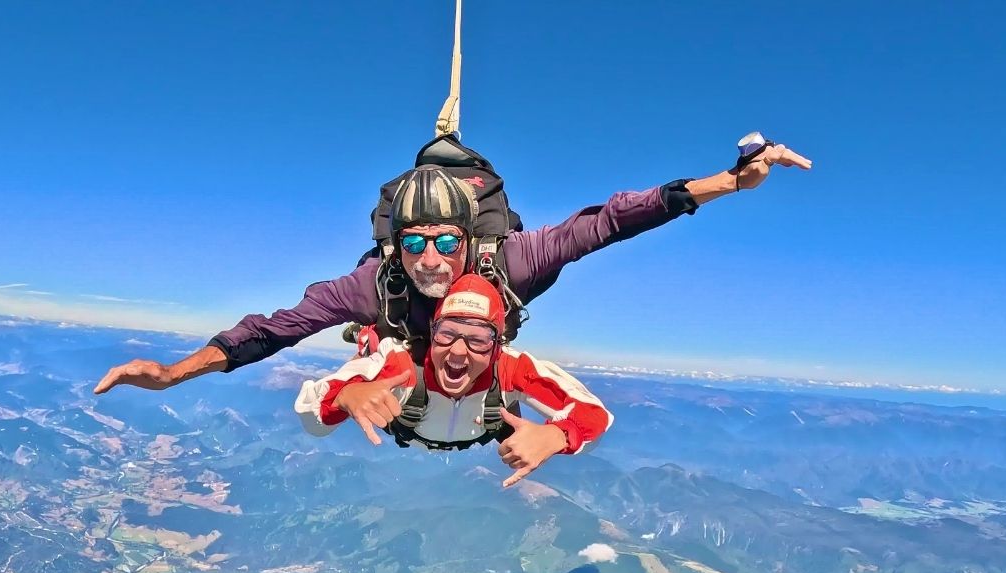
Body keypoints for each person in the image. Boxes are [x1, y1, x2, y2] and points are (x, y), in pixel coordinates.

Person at [93, 133, 812, 394]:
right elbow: (274, 329)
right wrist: (172, 374)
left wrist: (729, 182)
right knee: (377, 341)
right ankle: (379, 347)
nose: (429, 257)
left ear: (470, 237)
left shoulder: (517, 261)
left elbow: (613, 220)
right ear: (392, 247)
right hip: (408, 338)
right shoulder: (375, 282)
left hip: (469, 335)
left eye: (444, 241)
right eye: (414, 244)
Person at [294, 274, 613, 488]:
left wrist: (557, 436)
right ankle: (365, 334)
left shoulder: (511, 369)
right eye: (447, 334)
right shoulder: (402, 365)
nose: (458, 352)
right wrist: (346, 395)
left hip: (428, 427)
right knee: (372, 343)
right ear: (432, 332)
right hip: (390, 362)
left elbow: (595, 415)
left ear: (498, 345)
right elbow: (311, 415)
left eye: (478, 339)